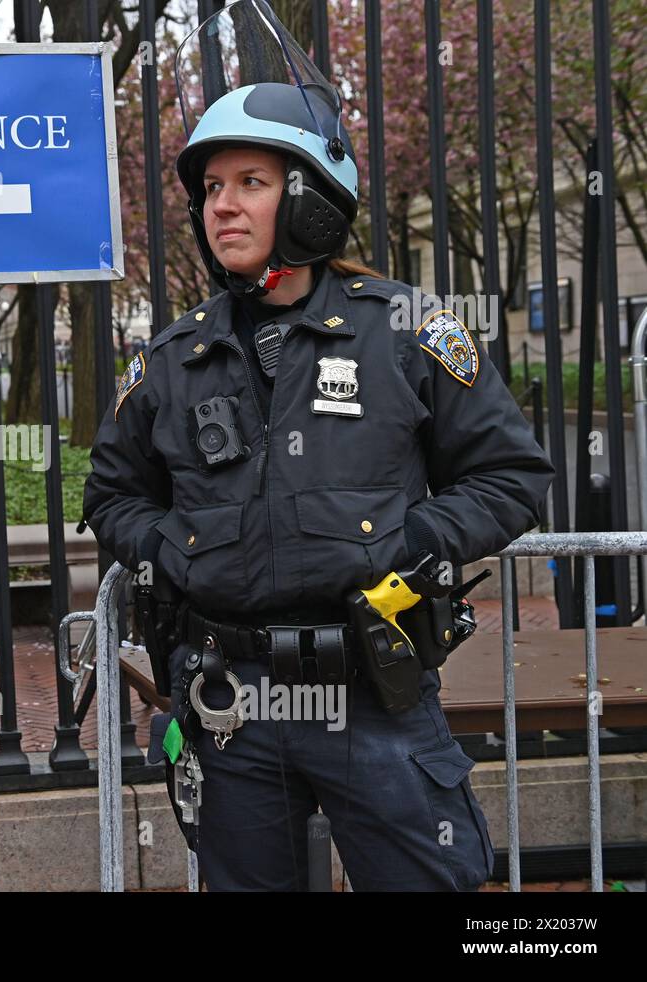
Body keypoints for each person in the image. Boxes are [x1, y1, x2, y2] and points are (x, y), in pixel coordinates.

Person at [83, 8, 553, 891]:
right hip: (231, 702)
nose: (221, 204)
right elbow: (112, 497)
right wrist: (177, 550)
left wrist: (409, 545)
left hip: (372, 693)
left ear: (308, 196)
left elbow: (512, 477)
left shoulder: (408, 330)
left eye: (250, 181)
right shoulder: (172, 358)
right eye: (212, 187)